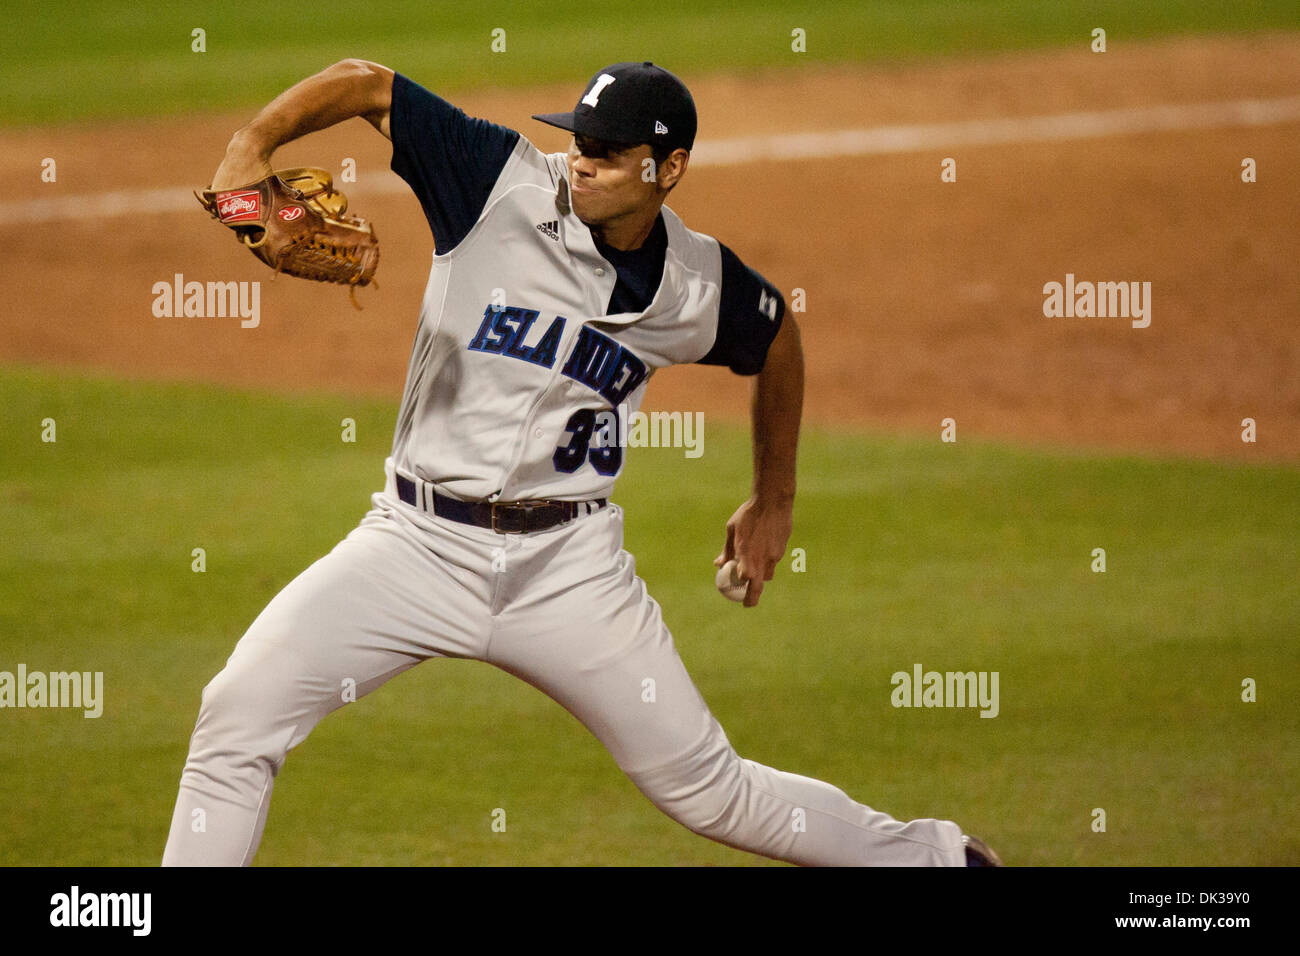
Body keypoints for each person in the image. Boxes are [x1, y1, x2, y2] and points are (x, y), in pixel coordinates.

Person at [162, 58, 998, 867]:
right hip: (414, 546)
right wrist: (250, 148)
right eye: (578, 140)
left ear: (667, 168)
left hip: (568, 571)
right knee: (237, 715)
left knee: (711, 793)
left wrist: (772, 496)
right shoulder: (495, 183)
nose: (580, 162)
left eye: (604, 152)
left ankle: (940, 860)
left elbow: (776, 335)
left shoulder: (698, 285)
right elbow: (364, 80)